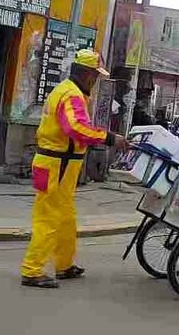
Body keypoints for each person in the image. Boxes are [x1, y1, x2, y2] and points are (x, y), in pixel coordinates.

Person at [20, 49, 128, 288]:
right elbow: (76, 128)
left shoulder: (71, 92)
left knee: (66, 218)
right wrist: (111, 138)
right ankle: (32, 269)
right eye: (96, 75)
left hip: (62, 165)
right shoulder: (71, 95)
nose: (96, 80)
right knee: (48, 218)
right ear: (87, 74)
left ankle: (64, 265)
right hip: (56, 164)